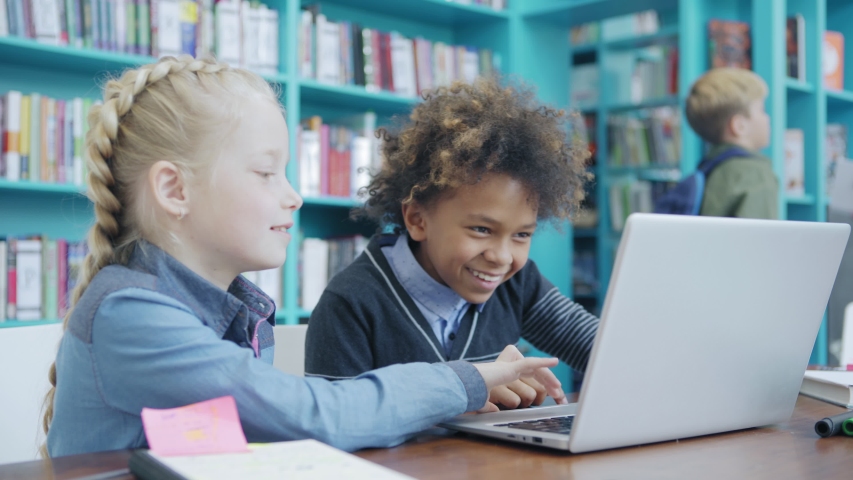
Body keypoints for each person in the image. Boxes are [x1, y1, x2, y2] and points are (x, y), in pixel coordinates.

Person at [42, 56, 565, 457]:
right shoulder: (132, 315)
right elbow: (316, 415)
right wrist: (467, 380)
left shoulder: (236, 312)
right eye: (267, 172)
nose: (293, 196)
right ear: (174, 190)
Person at [305, 76, 600, 410]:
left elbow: (605, 352)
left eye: (522, 235)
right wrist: (466, 389)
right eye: (480, 229)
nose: (502, 257)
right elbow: (336, 423)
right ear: (417, 219)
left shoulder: (518, 283)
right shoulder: (352, 303)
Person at [685, 67, 778, 219]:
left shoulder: (709, 167)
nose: (767, 118)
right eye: (762, 110)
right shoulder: (755, 173)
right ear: (739, 126)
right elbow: (760, 240)